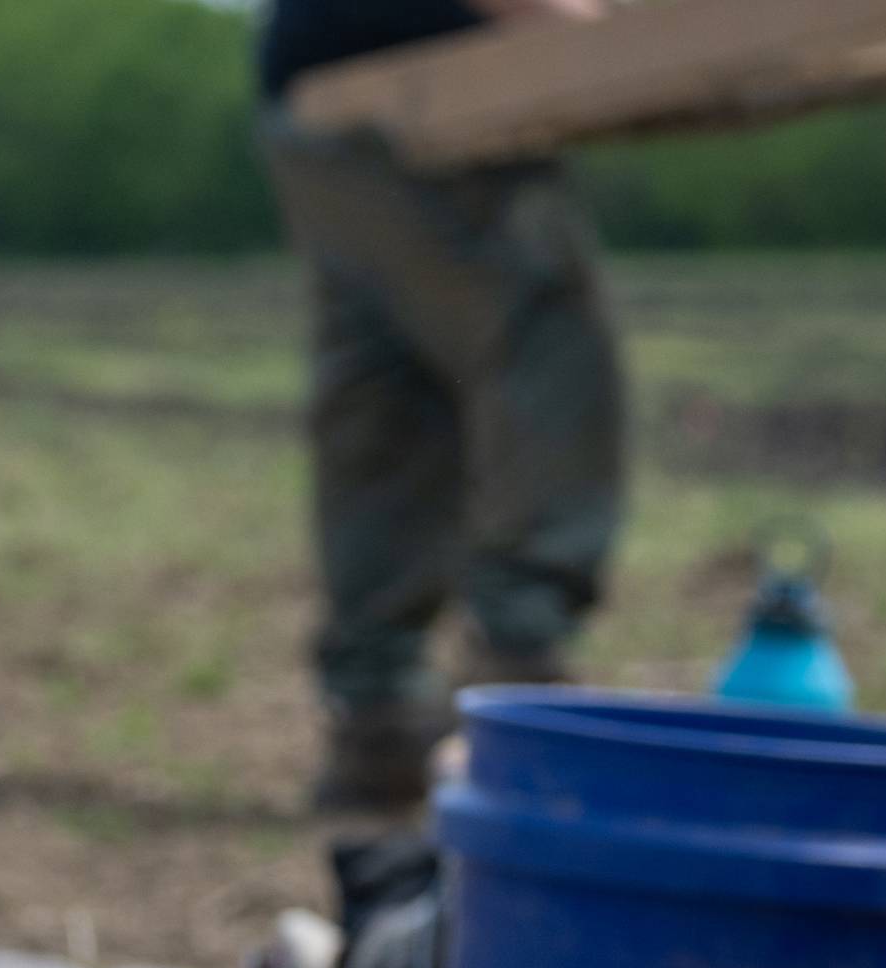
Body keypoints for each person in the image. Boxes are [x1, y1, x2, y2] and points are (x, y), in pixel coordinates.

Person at [257, 0, 626, 816]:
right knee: (547, 346)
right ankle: (519, 690)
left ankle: (377, 722)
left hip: (316, 90)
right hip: (429, 96)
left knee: (388, 404)